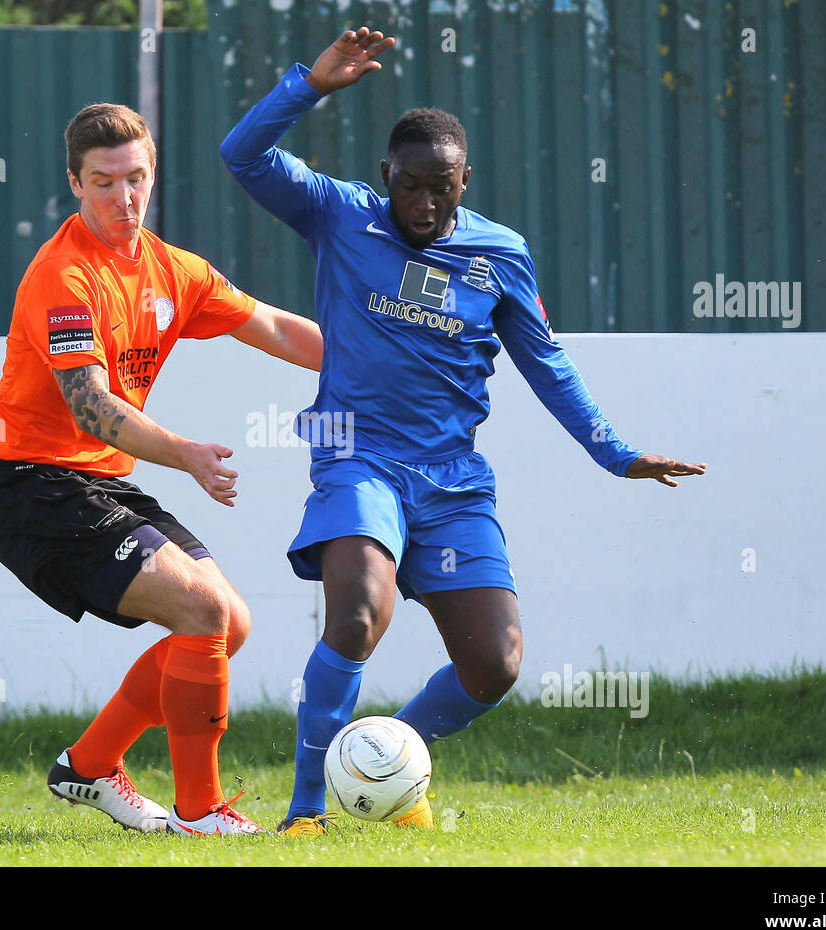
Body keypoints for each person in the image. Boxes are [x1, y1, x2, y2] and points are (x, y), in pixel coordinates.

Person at [220, 28, 706, 836]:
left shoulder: (500, 256)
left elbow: (547, 364)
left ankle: (387, 772)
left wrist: (616, 453)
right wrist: (307, 85)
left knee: (494, 663)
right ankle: (307, 809)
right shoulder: (342, 216)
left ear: (464, 180)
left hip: (449, 479)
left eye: (441, 187)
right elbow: (244, 156)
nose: (424, 203)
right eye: (410, 184)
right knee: (356, 616)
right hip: (358, 458)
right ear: (387, 176)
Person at [0, 102, 322, 836]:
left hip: (93, 484)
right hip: (30, 489)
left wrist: (397, 353)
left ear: (152, 174)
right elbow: (91, 407)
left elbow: (278, 328)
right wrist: (188, 454)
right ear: (74, 182)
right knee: (203, 612)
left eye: (135, 179)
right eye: (103, 183)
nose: (123, 199)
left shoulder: (172, 269)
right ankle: (199, 811)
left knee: (232, 623)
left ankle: (90, 766)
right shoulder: (64, 278)